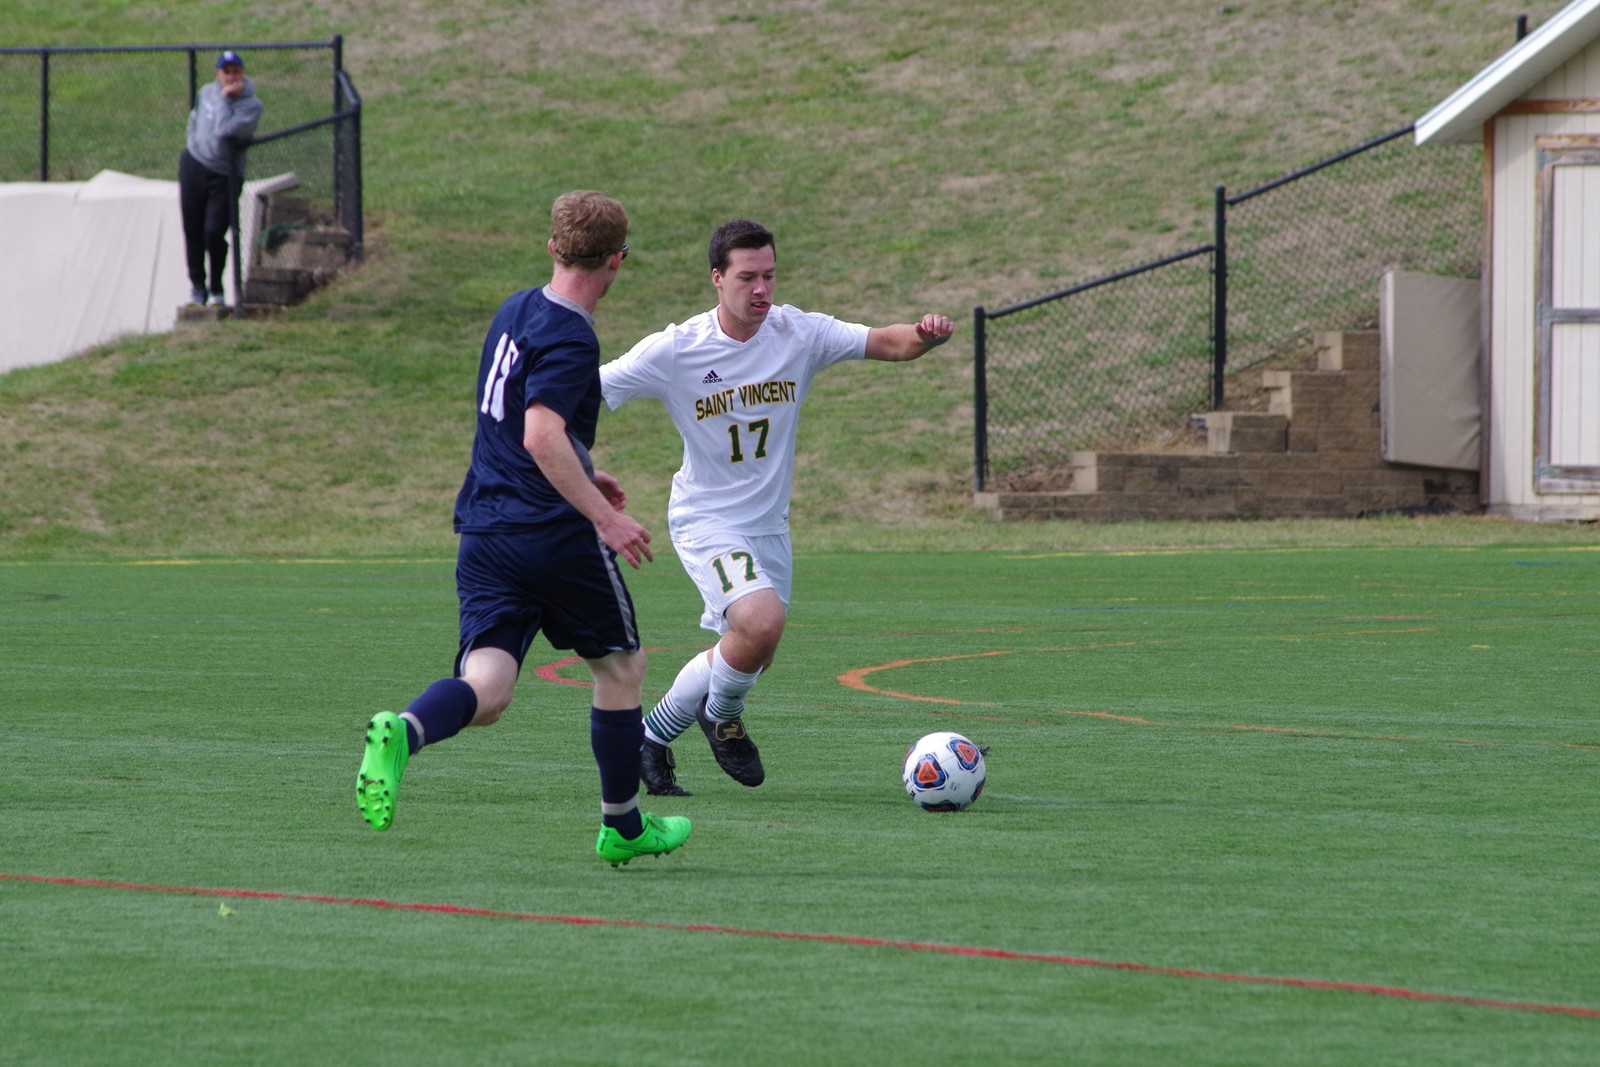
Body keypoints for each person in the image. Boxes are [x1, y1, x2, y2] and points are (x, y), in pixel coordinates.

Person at [356, 190, 691, 868]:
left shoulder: (516, 308)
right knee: (622, 666)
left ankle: (406, 730)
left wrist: (586, 473)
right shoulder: (573, 334)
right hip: (553, 536)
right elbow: (541, 434)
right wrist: (604, 514)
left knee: (489, 689)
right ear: (618, 261)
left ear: (552, 248)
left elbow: (517, 426)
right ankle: (622, 826)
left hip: (485, 530)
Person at [600, 218, 953, 796]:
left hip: (769, 527)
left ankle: (651, 738)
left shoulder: (798, 333)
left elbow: (889, 341)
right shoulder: (676, 349)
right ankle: (722, 719)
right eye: (747, 278)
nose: (761, 289)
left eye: (769, 275)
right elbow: (589, 388)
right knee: (760, 624)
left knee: (747, 652)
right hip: (707, 520)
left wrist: (925, 333)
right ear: (717, 279)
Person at [178, 50, 263, 308]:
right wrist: (193, 144)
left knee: (214, 232)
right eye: (226, 72)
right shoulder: (206, 92)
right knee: (192, 229)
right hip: (194, 165)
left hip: (225, 174)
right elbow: (194, 119)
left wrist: (227, 100)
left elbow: (225, 130)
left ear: (242, 73)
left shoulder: (251, 105)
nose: (231, 76)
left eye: (235, 71)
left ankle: (217, 289)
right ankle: (197, 288)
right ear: (218, 73)